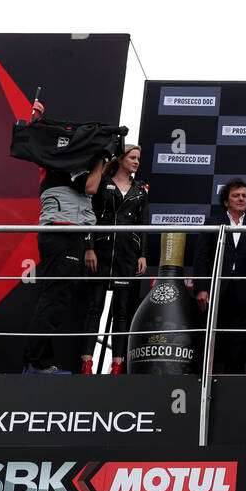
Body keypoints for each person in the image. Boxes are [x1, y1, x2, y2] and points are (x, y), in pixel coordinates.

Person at [24, 114, 107, 375]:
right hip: (62, 236)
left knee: (54, 300)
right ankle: (36, 364)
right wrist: (101, 158)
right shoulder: (65, 164)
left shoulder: (60, 162)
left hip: (67, 236)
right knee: (53, 301)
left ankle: (40, 362)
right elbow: (92, 186)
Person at [82, 144, 150, 375]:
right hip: (101, 250)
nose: (136, 162)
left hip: (127, 254)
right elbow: (89, 215)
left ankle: (117, 365)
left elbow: (143, 225)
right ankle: (87, 363)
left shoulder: (140, 190)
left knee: (122, 311)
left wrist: (142, 254)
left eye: (138, 159)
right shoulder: (102, 183)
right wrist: (89, 247)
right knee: (94, 308)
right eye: (132, 157)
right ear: (120, 159)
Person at [194, 178, 246, 374]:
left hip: (243, 291)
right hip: (215, 289)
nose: (241, 199)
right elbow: (201, 258)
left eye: (244, 196)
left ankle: (233, 381)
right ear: (226, 201)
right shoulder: (212, 223)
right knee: (208, 337)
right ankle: (202, 377)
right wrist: (201, 288)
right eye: (236, 195)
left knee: (238, 338)